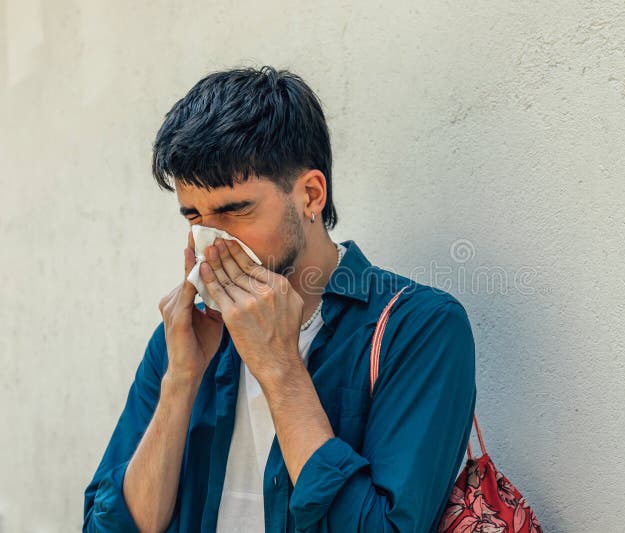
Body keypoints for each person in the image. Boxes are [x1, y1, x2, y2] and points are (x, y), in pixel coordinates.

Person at [82, 65, 477, 533]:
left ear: (311, 194)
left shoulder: (418, 328)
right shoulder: (184, 336)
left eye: (236, 210)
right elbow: (108, 527)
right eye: (194, 216)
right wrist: (181, 380)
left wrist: (281, 369)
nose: (213, 240)